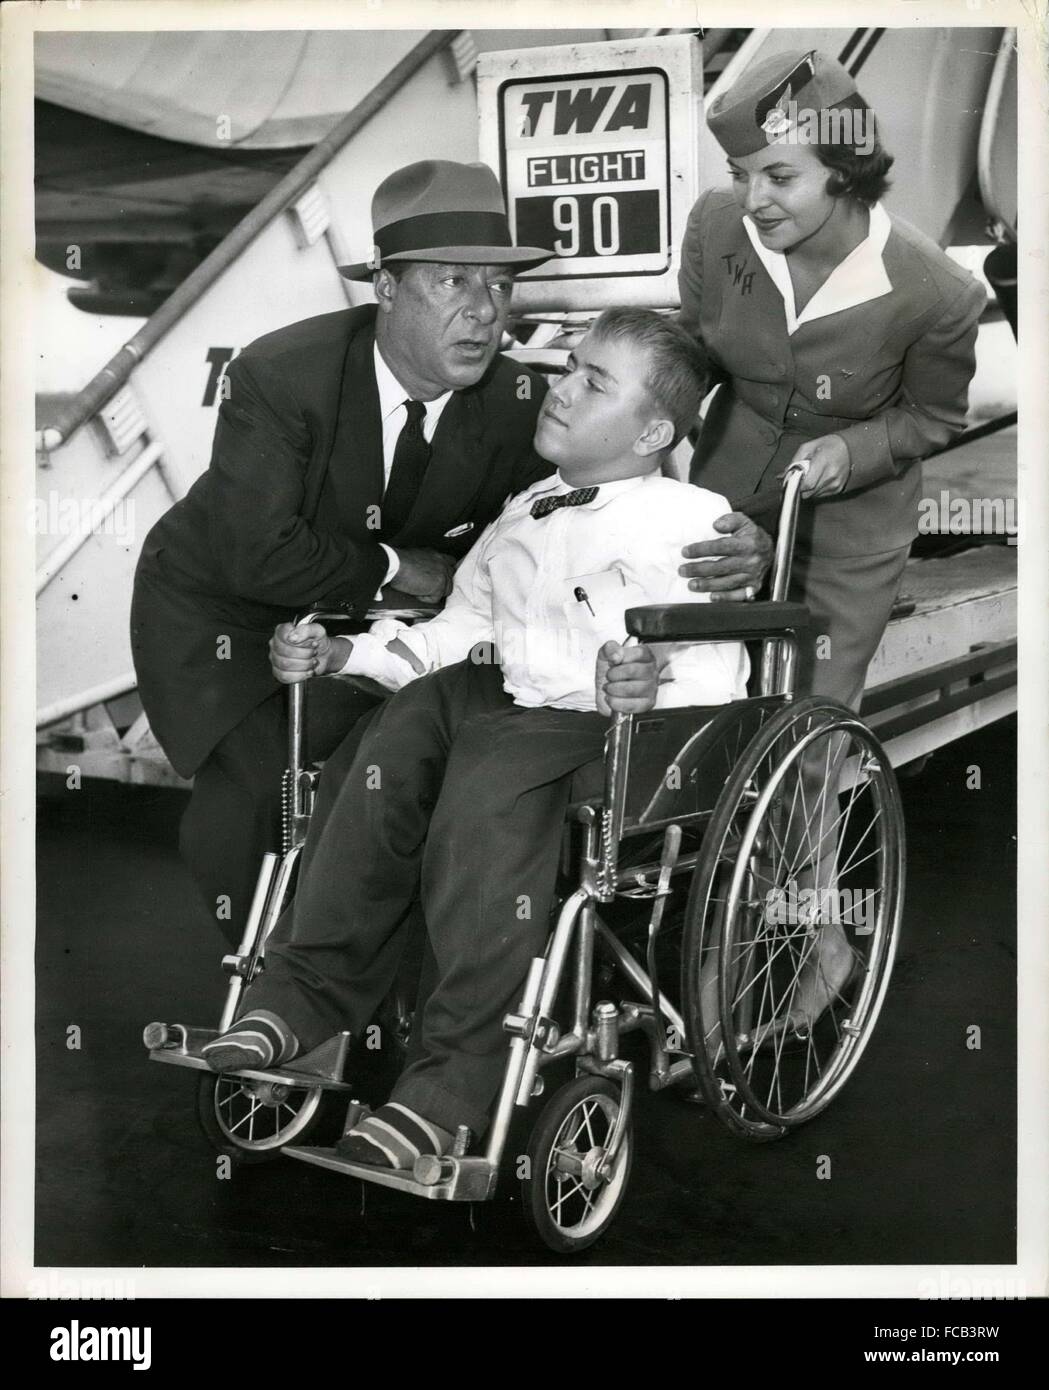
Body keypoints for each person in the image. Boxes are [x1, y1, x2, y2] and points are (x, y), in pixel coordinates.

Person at [130, 160, 771, 945]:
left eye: (498, 288)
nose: (482, 312)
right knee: (258, 790)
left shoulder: (517, 404)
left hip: (374, 633)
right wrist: (399, 570)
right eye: (452, 283)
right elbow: (254, 553)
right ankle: (270, 977)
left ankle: (370, 984)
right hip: (224, 611)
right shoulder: (277, 375)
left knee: (390, 771)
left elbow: (603, 501)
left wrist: (735, 540)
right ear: (387, 287)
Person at [201, 310, 749, 1169]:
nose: (560, 389)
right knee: (389, 740)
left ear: (652, 431)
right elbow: (460, 629)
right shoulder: (525, 508)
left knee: (486, 790)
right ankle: (304, 1003)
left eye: (592, 381)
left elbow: (716, 667)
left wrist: (655, 689)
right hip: (497, 696)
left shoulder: (689, 520)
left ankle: (452, 1086)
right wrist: (350, 651)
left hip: (601, 730)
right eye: (568, 367)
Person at [678, 49, 986, 1023]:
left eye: (779, 176)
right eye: (741, 174)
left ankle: (819, 944)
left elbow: (928, 423)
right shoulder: (718, 227)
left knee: (803, 745)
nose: (752, 199)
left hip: (845, 533)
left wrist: (843, 454)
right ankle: (701, 909)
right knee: (703, 709)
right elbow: (696, 341)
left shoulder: (933, 293)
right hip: (723, 505)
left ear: (845, 173)